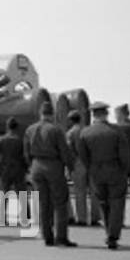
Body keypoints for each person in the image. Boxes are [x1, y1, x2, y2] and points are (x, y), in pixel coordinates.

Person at [77, 101, 130, 249]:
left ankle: (108, 231)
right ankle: (113, 235)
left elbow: (83, 156)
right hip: (115, 170)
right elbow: (124, 155)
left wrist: (92, 168)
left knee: (103, 203)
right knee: (117, 203)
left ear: (93, 114)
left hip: (96, 172)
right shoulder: (117, 131)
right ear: (106, 113)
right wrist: (124, 170)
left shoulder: (85, 133)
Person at [24, 101, 75, 246]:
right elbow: (65, 152)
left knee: (42, 202)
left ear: (40, 114)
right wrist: (70, 168)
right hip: (53, 166)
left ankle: (47, 236)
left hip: (36, 166)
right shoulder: (56, 130)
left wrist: (31, 166)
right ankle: (61, 237)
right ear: (52, 114)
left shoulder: (30, 130)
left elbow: (26, 152)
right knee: (60, 202)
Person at [65, 111, 100, 227]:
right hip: (91, 163)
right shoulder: (88, 130)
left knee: (80, 192)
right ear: (80, 119)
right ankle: (95, 218)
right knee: (94, 192)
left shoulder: (70, 133)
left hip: (78, 164)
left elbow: (69, 150)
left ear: (70, 120)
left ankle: (82, 219)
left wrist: (70, 167)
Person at [0, 118, 27, 195]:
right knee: (22, 195)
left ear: (7, 127)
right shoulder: (21, 140)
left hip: (5, 169)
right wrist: (25, 169)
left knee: (4, 194)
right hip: (19, 170)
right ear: (16, 127)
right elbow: (25, 156)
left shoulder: (0, 140)